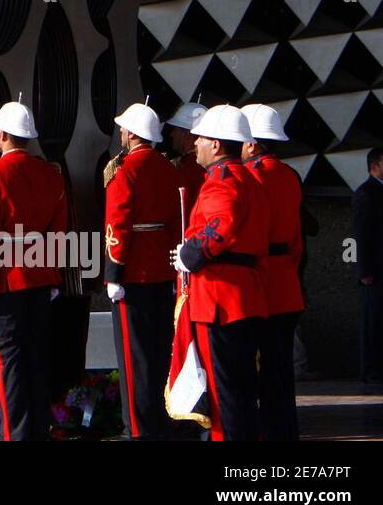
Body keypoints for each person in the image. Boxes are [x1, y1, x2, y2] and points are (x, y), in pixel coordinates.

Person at [0, 100, 68, 441]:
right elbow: (59, 230)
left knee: (9, 365)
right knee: (36, 361)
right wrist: (52, 273)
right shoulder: (50, 173)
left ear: (2, 135)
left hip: (6, 282)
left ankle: (18, 436)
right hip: (40, 278)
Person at [172, 105, 268, 441]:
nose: (194, 143)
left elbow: (220, 227)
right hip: (243, 296)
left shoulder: (222, 181)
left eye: (200, 138)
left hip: (220, 301)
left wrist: (190, 254)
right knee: (240, 393)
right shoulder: (251, 178)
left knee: (225, 396)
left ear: (215, 144)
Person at [103, 101, 182, 440]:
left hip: (133, 272)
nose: (121, 132)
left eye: (124, 128)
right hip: (163, 271)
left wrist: (113, 273)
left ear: (133, 134)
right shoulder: (168, 168)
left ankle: (137, 428)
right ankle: (163, 422)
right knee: (160, 350)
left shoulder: (126, 171)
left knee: (134, 360)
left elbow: (117, 224)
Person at [241, 103, 304, 440]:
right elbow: (295, 238)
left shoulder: (250, 176)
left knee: (258, 366)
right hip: (287, 282)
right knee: (281, 367)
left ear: (252, 143)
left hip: (261, 281)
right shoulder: (289, 175)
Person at [351, 147, 383, 384]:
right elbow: (362, 235)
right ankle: (372, 371)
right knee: (374, 323)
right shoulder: (366, 193)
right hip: (377, 274)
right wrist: (365, 271)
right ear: (373, 166)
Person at [163, 102, 207, 221]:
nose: (172, 134)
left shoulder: (186, 167)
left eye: (175, 129)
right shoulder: (202, 164)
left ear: (187, 134)